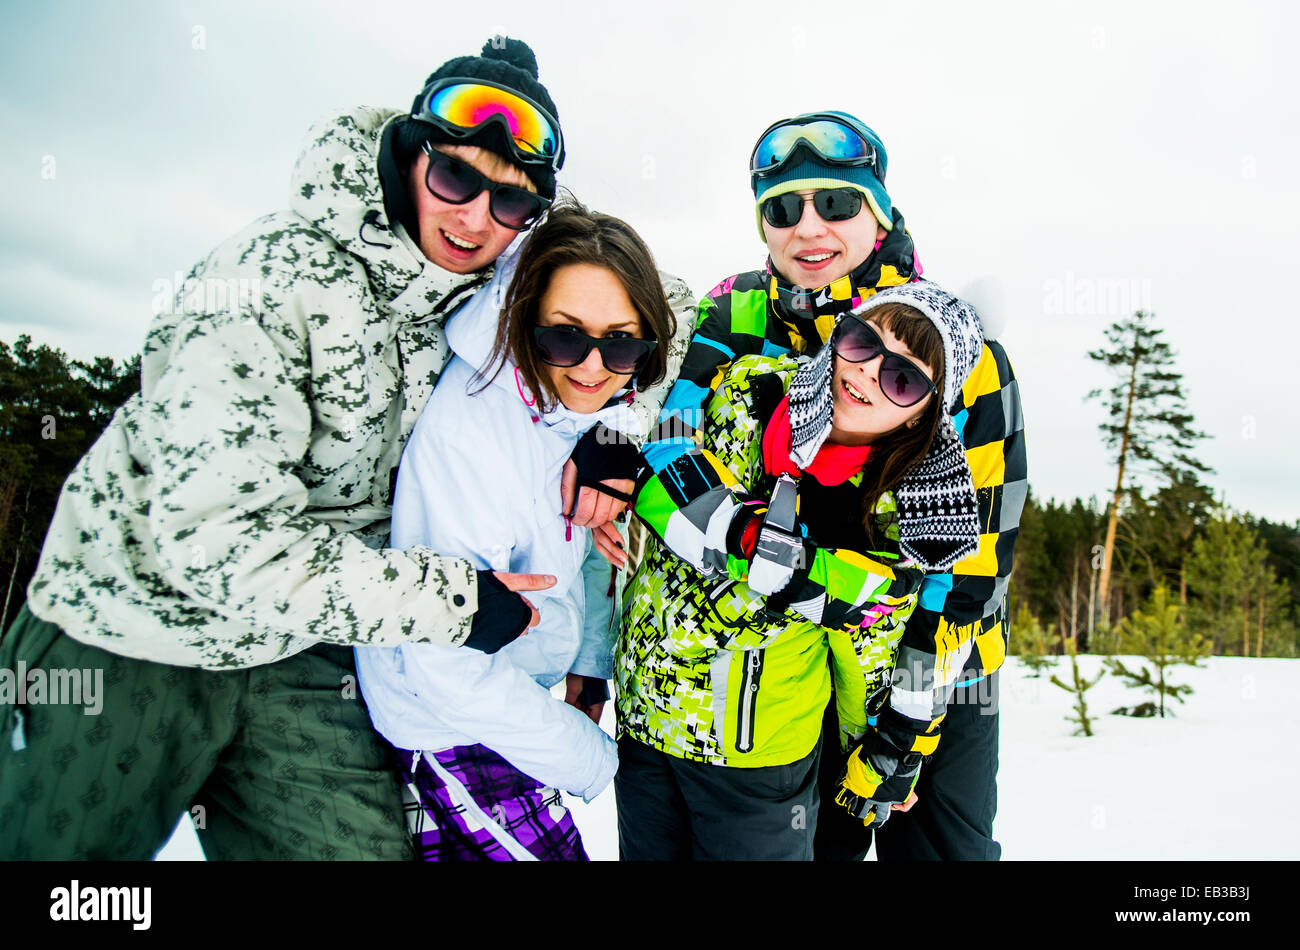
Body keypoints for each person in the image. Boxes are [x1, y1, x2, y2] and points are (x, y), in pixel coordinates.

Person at [0, 37, 689, 861]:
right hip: (137, 630)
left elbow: (664, 305)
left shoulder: (505, 268)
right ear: (408, 156)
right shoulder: (269, 278)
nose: (476, 219)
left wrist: (616, 430)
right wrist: (451, 602)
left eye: (511, 201)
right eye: (455, 179)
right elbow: (217, 539)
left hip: (311, 652)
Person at [632, 112, 1027, 860]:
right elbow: (665, 436)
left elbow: (974, 567)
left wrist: (904, 733)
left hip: (938, 669)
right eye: (783, 208)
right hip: (788, 673)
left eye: (837, 203)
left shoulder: (957, 346)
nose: (808, 228)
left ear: (878, 212)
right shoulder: (733, 310)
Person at [616, 280, 986, 860]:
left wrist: (885, 758)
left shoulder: (905, 509)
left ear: (924, 414)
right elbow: (662, 459)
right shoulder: (749, 391)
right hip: (643, 723)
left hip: (754, 753)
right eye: (863, 342)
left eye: (903, 378)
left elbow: (873, 640)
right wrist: (753, 540)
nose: (867, 373)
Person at [355, 201, 679, 861]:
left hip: (508, 707)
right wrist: (586, 753)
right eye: (565, 337)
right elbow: (442, 662)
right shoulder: (476, 438)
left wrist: (588, 667)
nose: (593, 367)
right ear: (525, 317)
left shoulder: (570, 412)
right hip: (450, 728)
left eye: (622, 343)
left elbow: (583, 547)